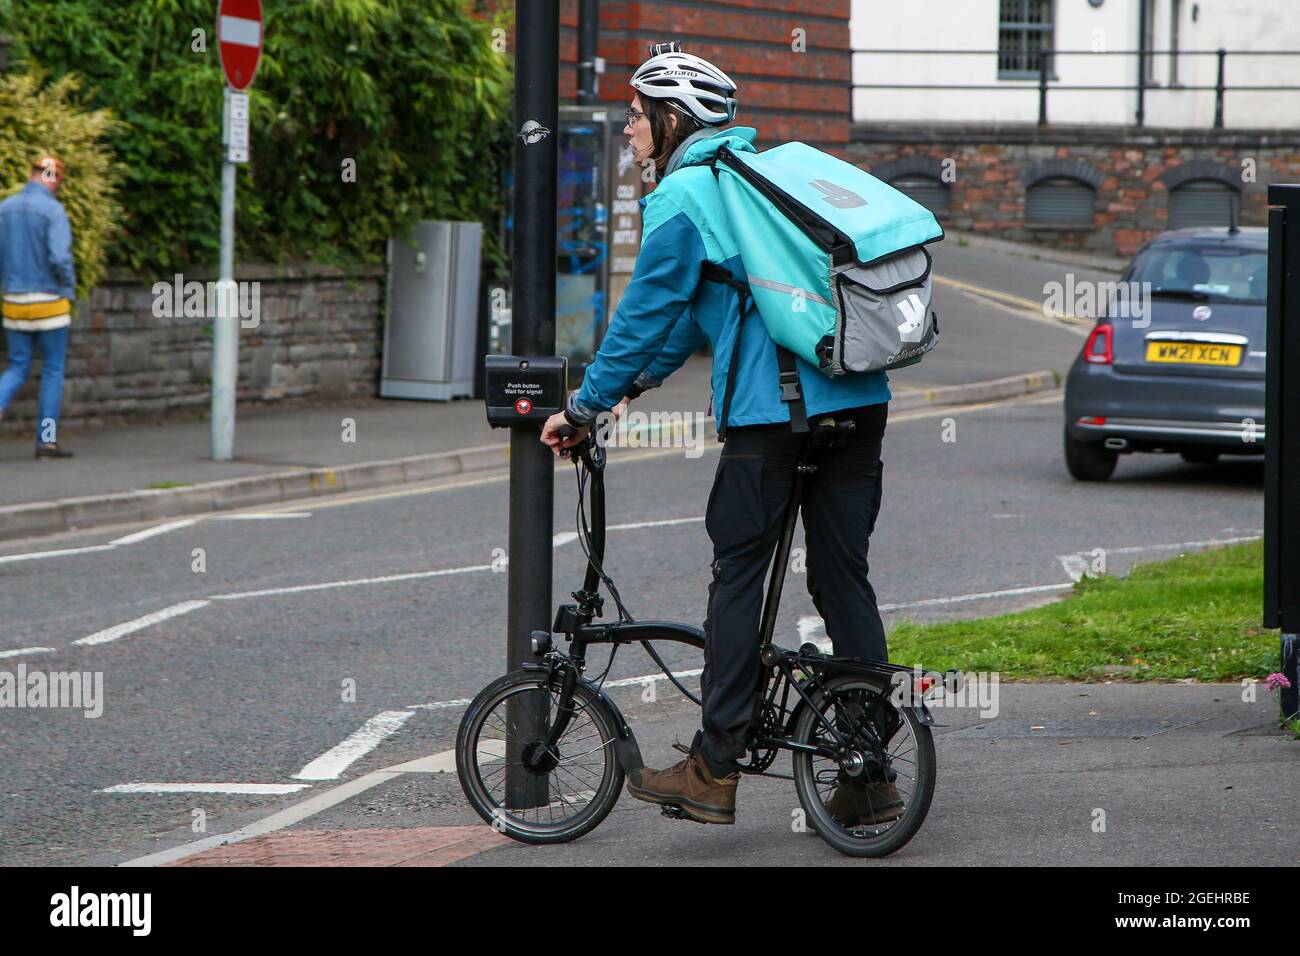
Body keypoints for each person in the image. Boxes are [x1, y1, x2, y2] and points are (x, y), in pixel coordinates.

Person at [540, 44, 900, 828]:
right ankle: (871, 768)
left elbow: (643, 312)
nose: (629, 128)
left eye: (636, 114)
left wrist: (584, 404)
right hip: (859, 403)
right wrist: (630, 389)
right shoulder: (764, 180)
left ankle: (713, 768)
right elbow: (698, 314)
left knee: (737, 578)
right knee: (844, 579)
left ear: (673, 120)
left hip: (775, 417)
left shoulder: (688, 194)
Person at [0, 155, 77, 458]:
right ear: (53, 178)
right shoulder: (53, 211)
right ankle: (46, 440)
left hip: (14, 301)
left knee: (18, 366)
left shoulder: (4, 209)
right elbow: (60, 258)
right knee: (53, 370)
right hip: (50, 302)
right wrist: (67, 287)